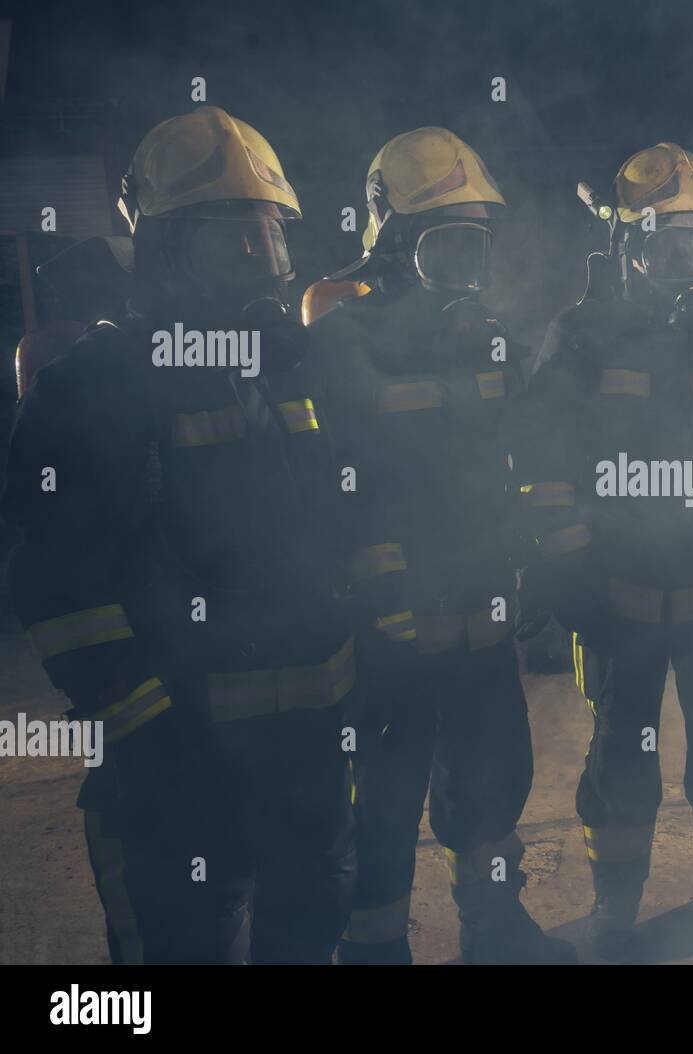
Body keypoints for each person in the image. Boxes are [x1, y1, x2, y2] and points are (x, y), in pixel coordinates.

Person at [2, 106, 357, 963]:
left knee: (307, 935)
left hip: (305, 755)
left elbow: (344, 524)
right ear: (162, 248)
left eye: (267, 238)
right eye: (226, 239)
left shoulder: (293, 367)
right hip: (176, 769)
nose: (256, 262)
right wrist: (146, 733)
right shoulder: (97, 384)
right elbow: (59, 591)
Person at [517, 142, 693, 960]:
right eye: (673, 240)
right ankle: (615, 906)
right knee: (621, 758)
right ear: (632, 248)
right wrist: (567, 567)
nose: (691, 257)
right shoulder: (582, 336)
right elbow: (544, 462)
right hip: (619, 603)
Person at [307, 127, 575, 964]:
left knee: (494, 782)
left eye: (473, 244)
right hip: (393, 620)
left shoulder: (485, 335)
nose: (463, 264)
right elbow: (334, 483)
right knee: (383, 795)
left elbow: (527, 454)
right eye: (442, 244)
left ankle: (495, 930)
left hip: (480, 605)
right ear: (389, 244)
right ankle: (376, 947)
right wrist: (380, 595)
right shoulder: (343, 341)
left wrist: (536, 562)